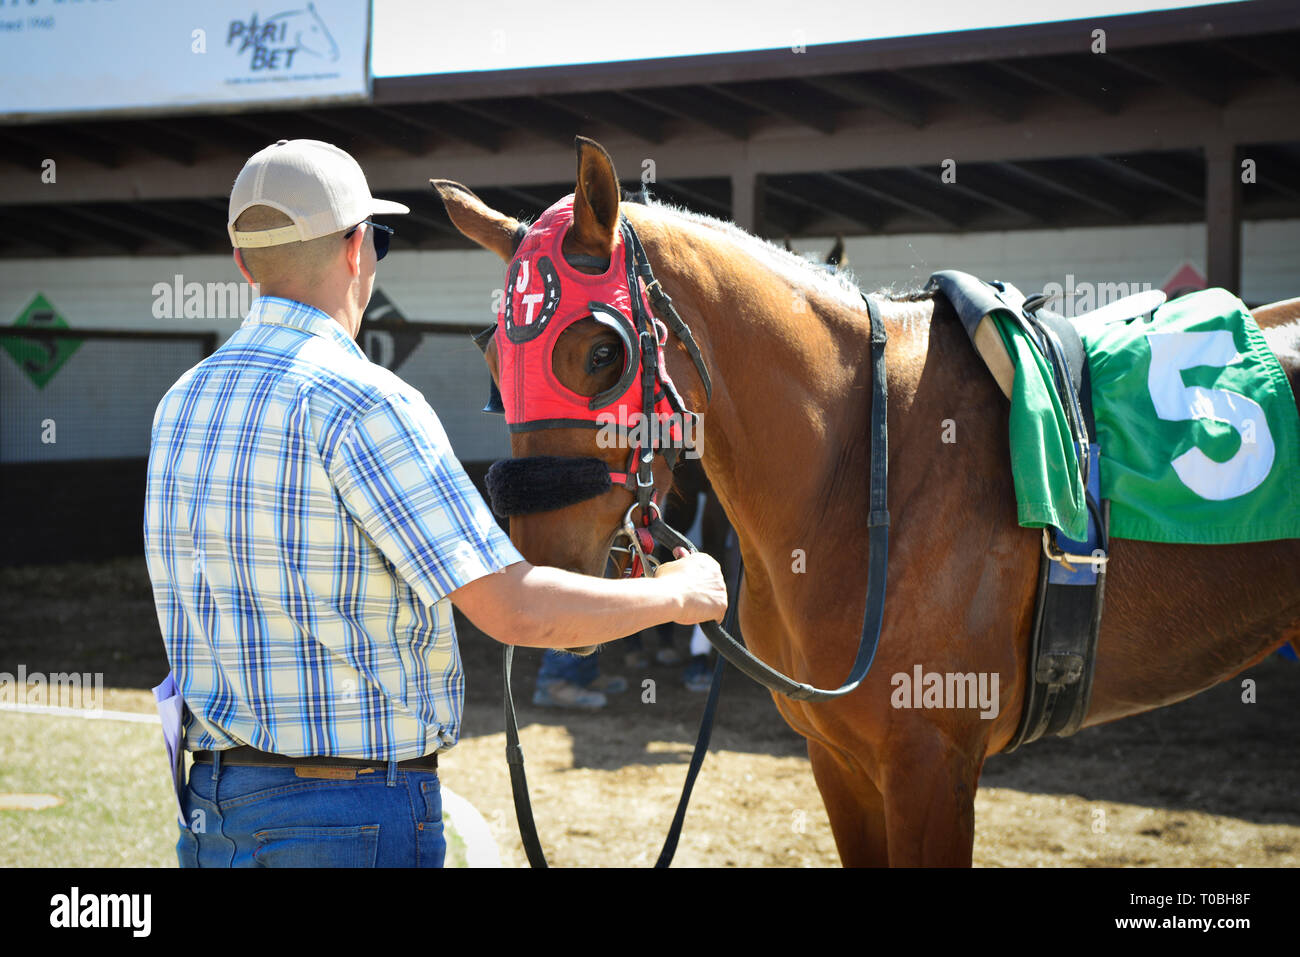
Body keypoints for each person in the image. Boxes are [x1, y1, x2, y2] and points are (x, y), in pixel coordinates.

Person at [143, 139, 726, 868]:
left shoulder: (179, 404)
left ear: (242, 263)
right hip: (347, 817)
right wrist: (676, 596)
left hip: (212, 809)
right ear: (359, 248)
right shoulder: (367, 402)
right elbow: (514, 609)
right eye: (377, 239)